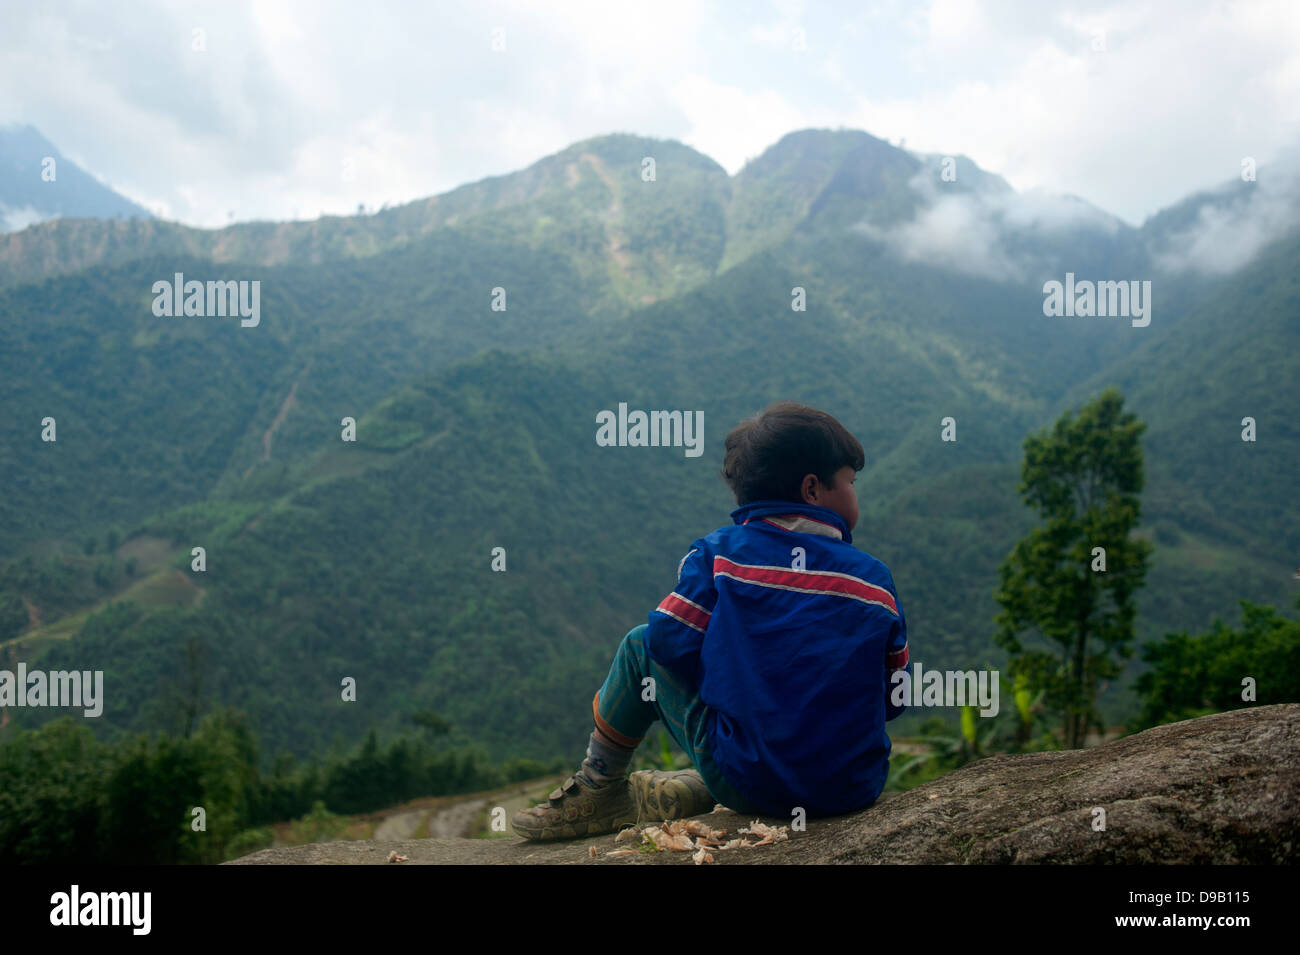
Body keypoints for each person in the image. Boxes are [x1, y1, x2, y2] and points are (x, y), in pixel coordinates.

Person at [512, 401, 911, 840]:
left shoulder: (719, 556)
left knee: (638, 645)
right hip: (853, 789)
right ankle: (703, 784)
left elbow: (667, 643)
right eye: (851, 483)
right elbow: (894, 698)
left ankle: (599, 784)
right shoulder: (875, 580)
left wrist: (734, 668)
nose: (856, 495)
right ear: (812, 490)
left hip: (749, 783)